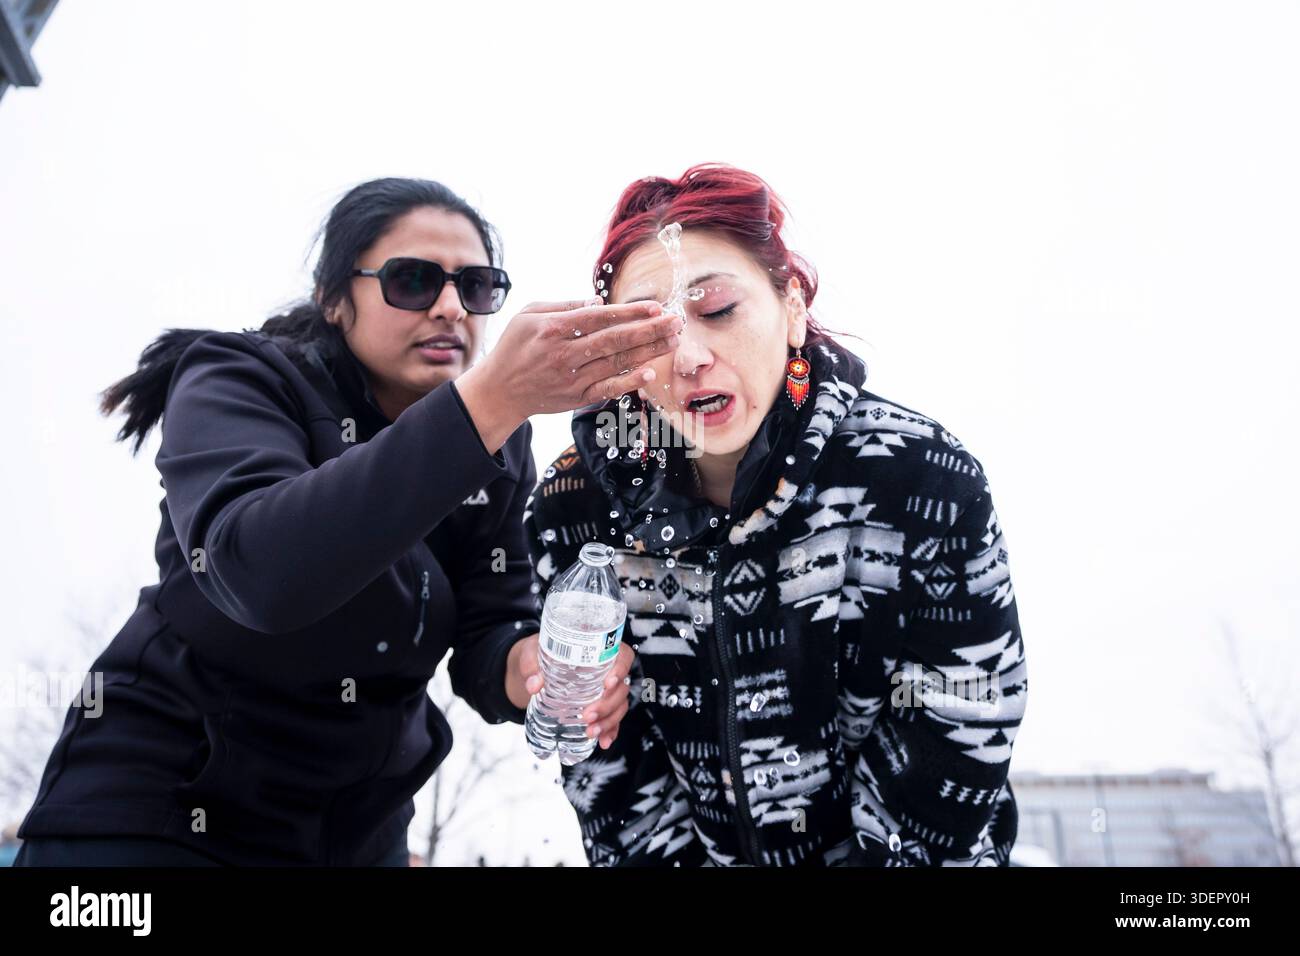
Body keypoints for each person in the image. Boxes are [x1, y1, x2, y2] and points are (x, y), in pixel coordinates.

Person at [13, 177, 680, 866]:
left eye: (477, 286)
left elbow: (491, 630)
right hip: (160, 814)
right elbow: (261, 572)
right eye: (413, 281)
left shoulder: (497, 444)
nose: (452, 308)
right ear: (334, 298)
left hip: (354, 837)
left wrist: (538, 669)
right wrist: (488, 402)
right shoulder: (238, 378)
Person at [525, 163, 1028, 866]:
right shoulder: (577, 508)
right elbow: (605, 765)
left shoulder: (918, 477)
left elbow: (962, 717)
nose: (691, 356)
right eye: (651, 331)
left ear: (791, 307)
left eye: (718, 310)